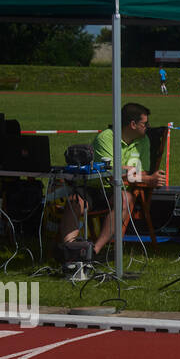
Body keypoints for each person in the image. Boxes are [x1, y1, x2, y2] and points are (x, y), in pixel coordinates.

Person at [62, 102, 164, 255]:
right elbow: (110, 173)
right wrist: (144, 178)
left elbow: (141, 173)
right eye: (145, 123)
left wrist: (128, 173)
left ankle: (93, 251)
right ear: (133, 124)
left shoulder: (144, 141)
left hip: (117, 191)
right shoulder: (106, 138)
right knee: (75, 202)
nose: (148, 126)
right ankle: (69, 250)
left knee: (124, 199)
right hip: (93, 186)